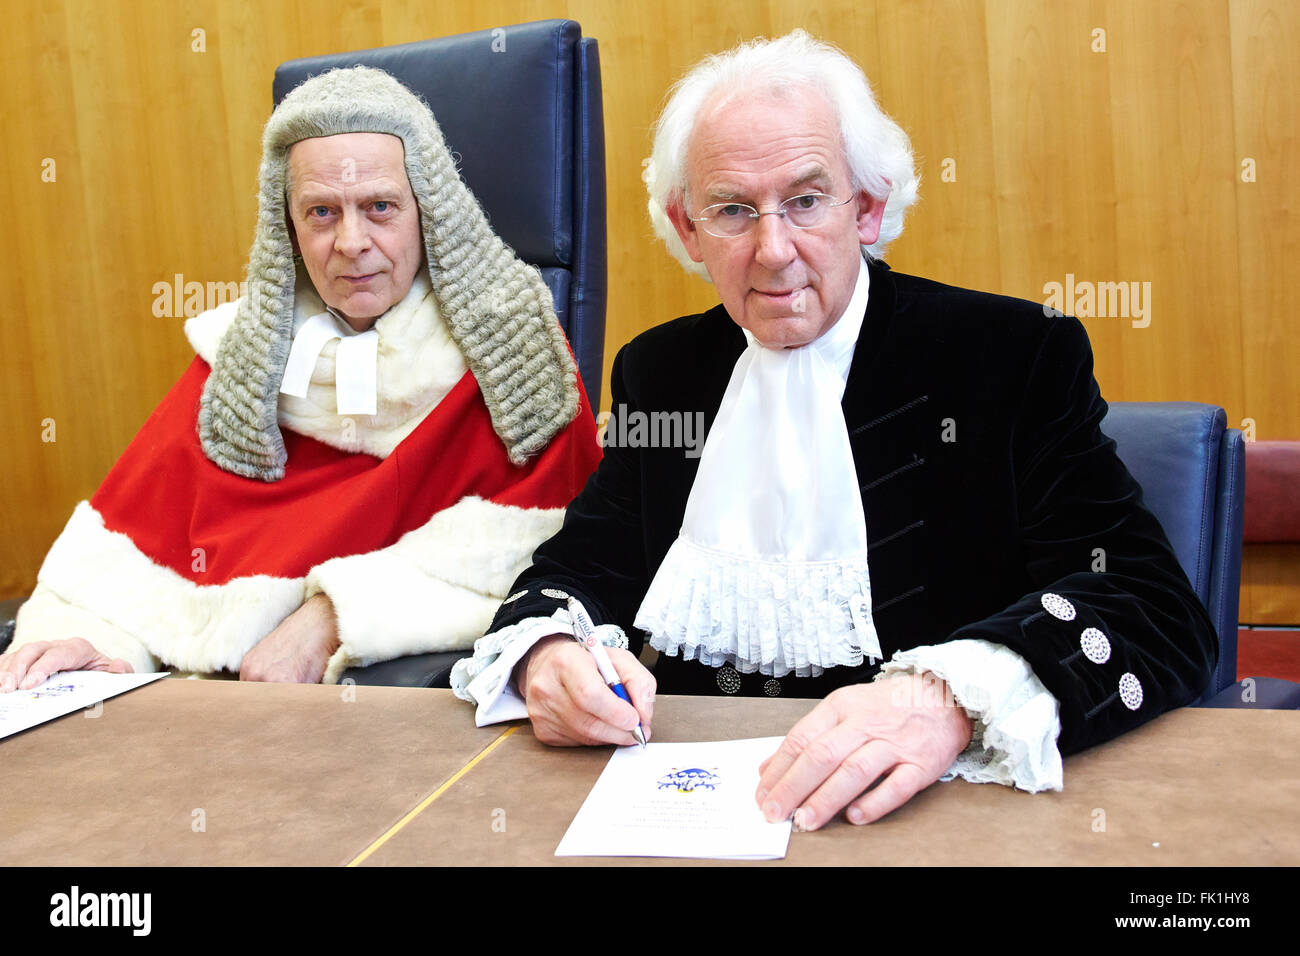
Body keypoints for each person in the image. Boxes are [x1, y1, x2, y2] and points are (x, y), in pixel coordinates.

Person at [452, 31, 1216, 831]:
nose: (774, 250)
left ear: (869, 205)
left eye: (807, 200)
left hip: (935, 820)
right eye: (733, 211)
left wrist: (945, 699)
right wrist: (551, 653)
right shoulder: (662, 371)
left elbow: (1154, 607)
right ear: (687, 229)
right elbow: (582, 565)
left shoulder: (1009, 355)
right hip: (689, 819)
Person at [0, 66, 600, 690]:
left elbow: (542, 553)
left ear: (431, 211)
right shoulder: (239, 359)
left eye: (380, 207)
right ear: (287, 228)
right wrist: (97, 647)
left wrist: (333, 617)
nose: (350, 241)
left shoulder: (511, 355)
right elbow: (129, 563)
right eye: (320, 212)